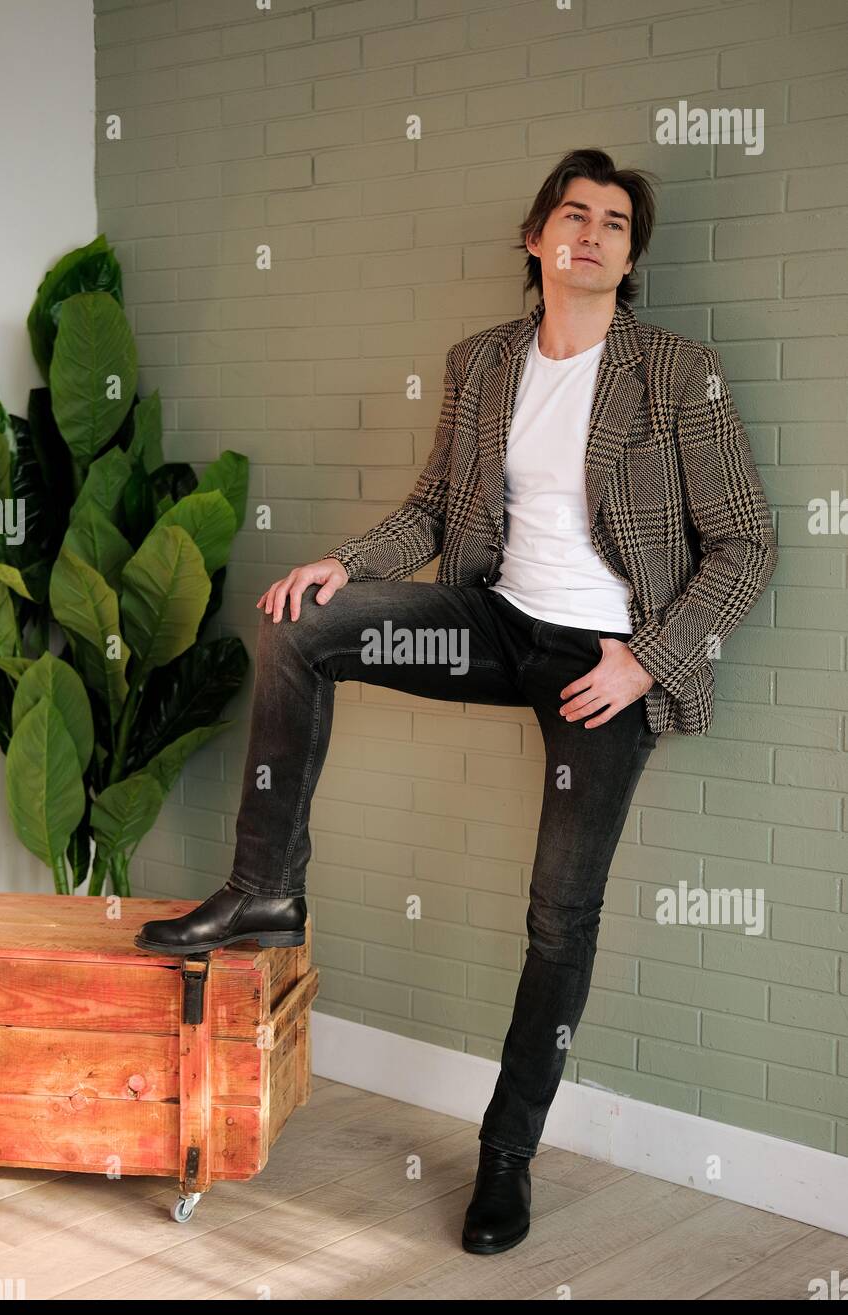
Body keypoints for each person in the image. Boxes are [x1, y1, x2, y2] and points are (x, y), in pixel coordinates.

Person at [135, 148, 778, 1257]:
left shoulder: (678, 371)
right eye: (571, 214)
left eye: (614, 223)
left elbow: (745, 544)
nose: (591, 232)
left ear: (629, 258)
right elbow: (433, 506)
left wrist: (647, 661)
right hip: (489, 622)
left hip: (599, 663)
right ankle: (262, 888)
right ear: (533, 239)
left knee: (555, 915)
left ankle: (506, 1152)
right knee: (298, 620)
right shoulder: (482, 362)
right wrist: (343, 561)